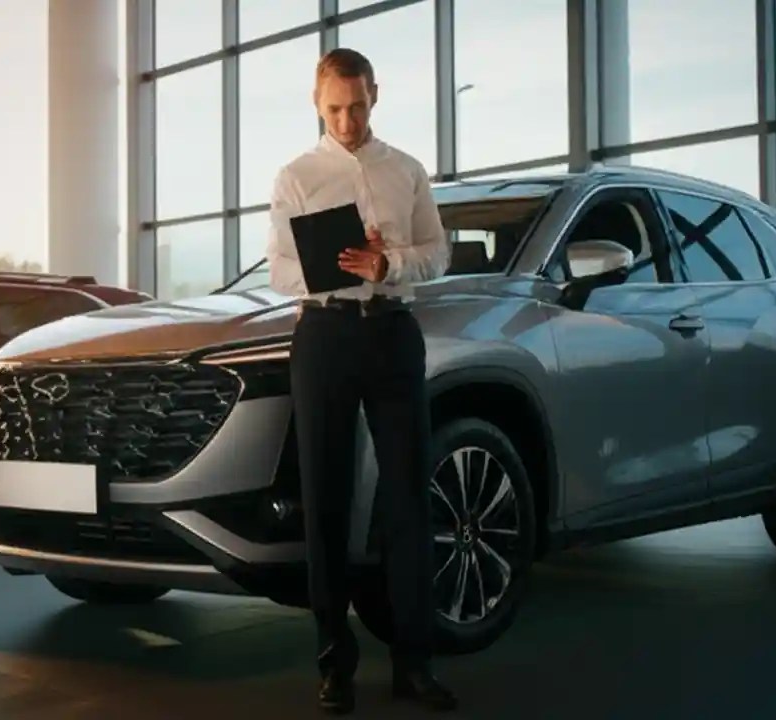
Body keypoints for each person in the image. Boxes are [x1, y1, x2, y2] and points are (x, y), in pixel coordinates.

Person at [265, 48, 456, 714]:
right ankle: (332, 663)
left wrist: (388, 263)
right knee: (326, 498)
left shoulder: (406, 171)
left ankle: (415, 663)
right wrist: (337, 269)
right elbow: (280, 272)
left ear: (376, 93)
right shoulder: (296, 176)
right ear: (318, 103)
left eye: (359, 105)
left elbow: (439, 251)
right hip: (323, 336)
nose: (348, 121)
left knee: (409, 496)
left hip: (392, 331)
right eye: (335, 108)